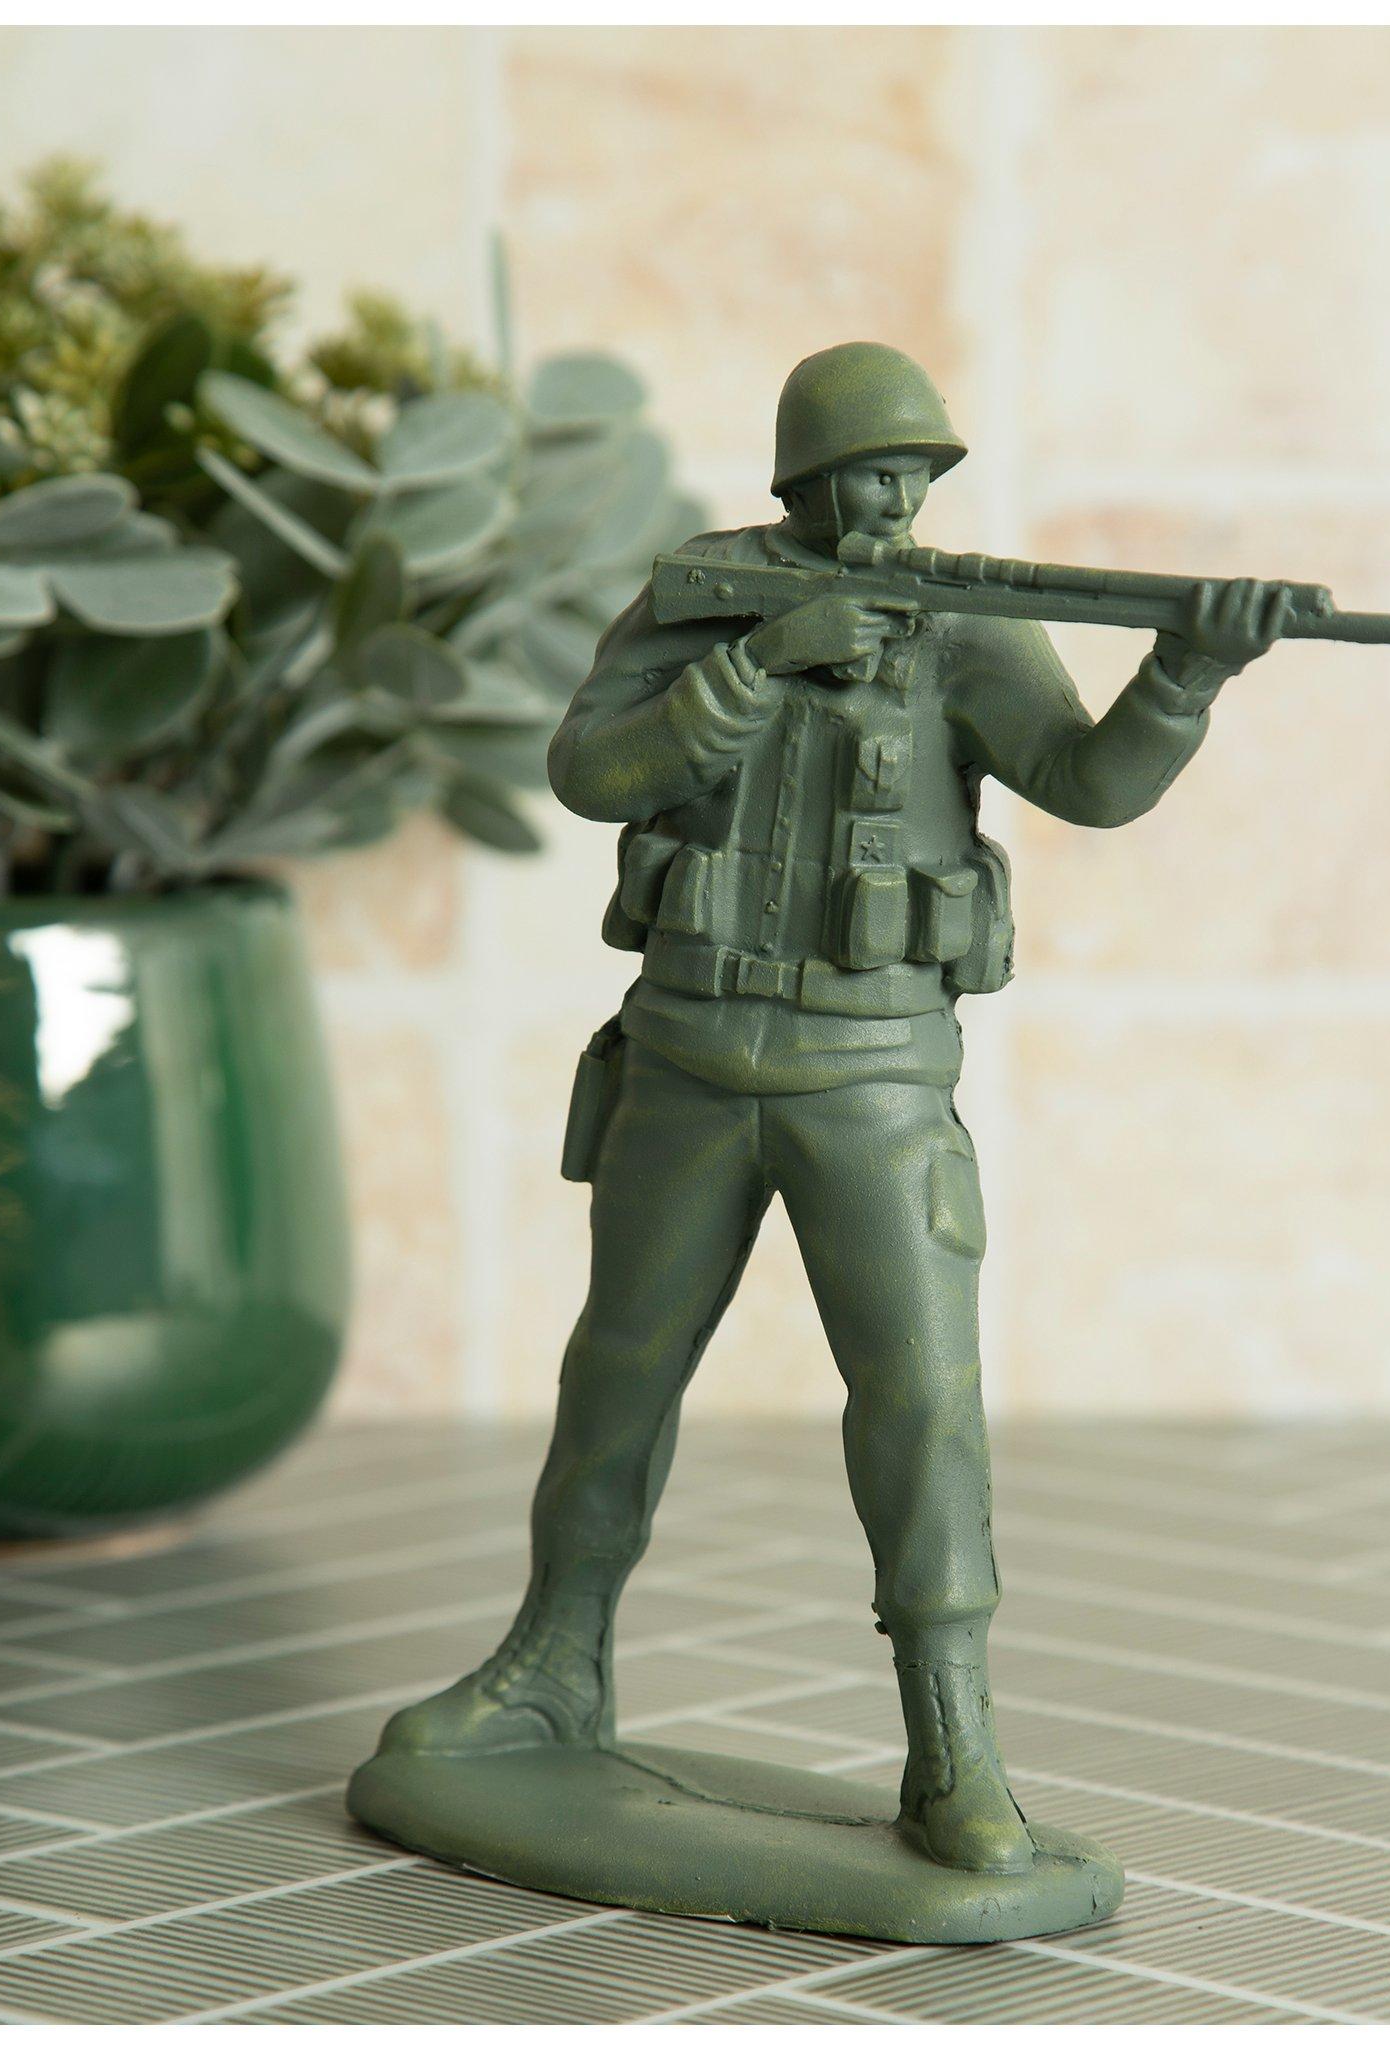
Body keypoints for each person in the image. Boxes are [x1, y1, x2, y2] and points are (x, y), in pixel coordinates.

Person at [373, 341, 1289, 1874]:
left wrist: (1185, 673)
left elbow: (1087, 783)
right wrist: (759, 664)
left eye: (914, 475)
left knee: (922, 1404)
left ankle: (953, 1745)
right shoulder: (709, 598)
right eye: (870, 473)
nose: (895, 500)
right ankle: (551, 1664)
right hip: (684, 1048)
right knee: (617, 1373)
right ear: (802, 479)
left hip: (871, 1072)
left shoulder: (964, 624)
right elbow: (591, 768)